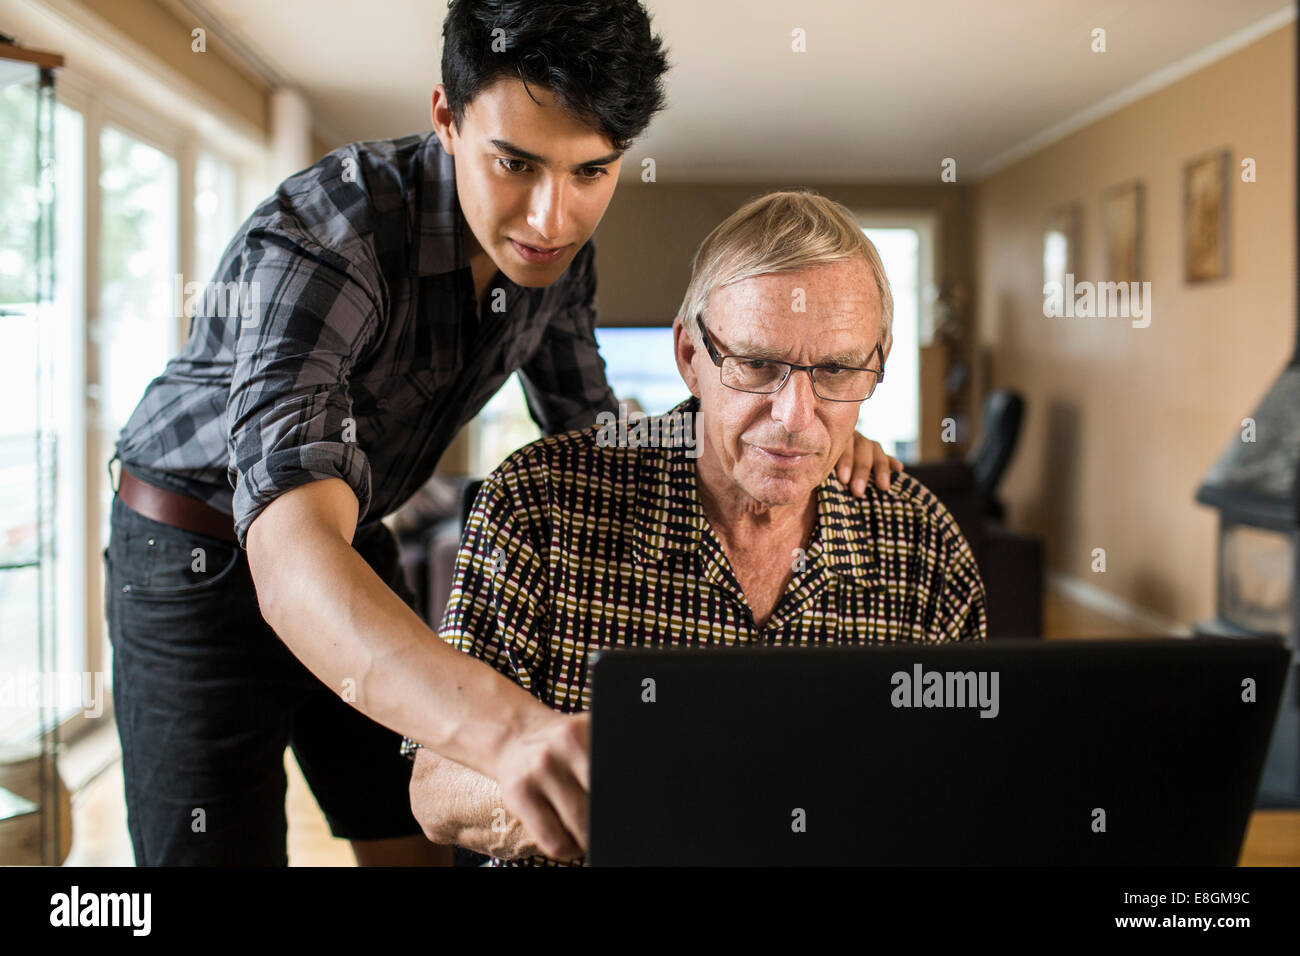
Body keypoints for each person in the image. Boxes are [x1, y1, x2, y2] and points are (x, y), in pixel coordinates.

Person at [104, 2, 899, 865]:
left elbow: (598, 437)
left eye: (591, 172)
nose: (551, 218)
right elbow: (289, 551)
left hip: (351, 532)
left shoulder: (558, 261)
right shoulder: (331, 234)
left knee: (407, 839)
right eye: (515, 163)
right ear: (446, 116)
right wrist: (515, 731)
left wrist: (788, 423)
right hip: (192, 545)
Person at [408, 190, 988, 866]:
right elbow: (436, 790)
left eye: (834, 369)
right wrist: (586, 794)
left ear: (876, 365)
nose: (796, 417)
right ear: (690, 355)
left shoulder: (923, 546)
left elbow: (962, 788)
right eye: (757, 364)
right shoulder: (537, 508)